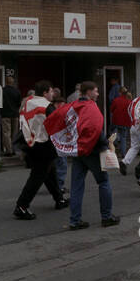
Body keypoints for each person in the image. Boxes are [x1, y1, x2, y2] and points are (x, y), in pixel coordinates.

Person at [47, 81, 118, 230]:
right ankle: (107, 217)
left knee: (76, 186)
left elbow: (63, 119)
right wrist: (106, 145)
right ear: (89, 92)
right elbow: (94, 129)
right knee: (103, 182)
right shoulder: (91, 107)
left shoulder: (73, 105)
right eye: (96, 91)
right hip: (92, 150)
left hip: (78, 151)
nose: (98, 94)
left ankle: (75, 220)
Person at [12, 80, 67, 220]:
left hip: (30, 141)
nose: (52, 93)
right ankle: (22, 205)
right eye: (50, 91)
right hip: (44, 143)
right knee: (38, 175)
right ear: (45, 93)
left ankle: (59, 199)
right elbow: (57, 124)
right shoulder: (47, 106)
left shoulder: (28, 101)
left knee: (49, 171)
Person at [110, 88, 133, 161]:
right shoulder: (129, 101)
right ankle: (123, 153)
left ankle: (113, 148)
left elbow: (111, 109)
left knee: (114, 135)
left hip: (116, 121)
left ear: (120, 93)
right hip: (126, 122)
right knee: (123, 137)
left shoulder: (116, 100)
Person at [0, 76, 21, 156]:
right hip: (15, 115)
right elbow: (19, 104)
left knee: (6, 133)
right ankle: (14, 149)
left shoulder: (2, 91)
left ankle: (9, 151)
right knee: (14, 133)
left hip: (5, 115)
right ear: (13, 83)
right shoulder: (17, 91)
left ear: (6, 82)